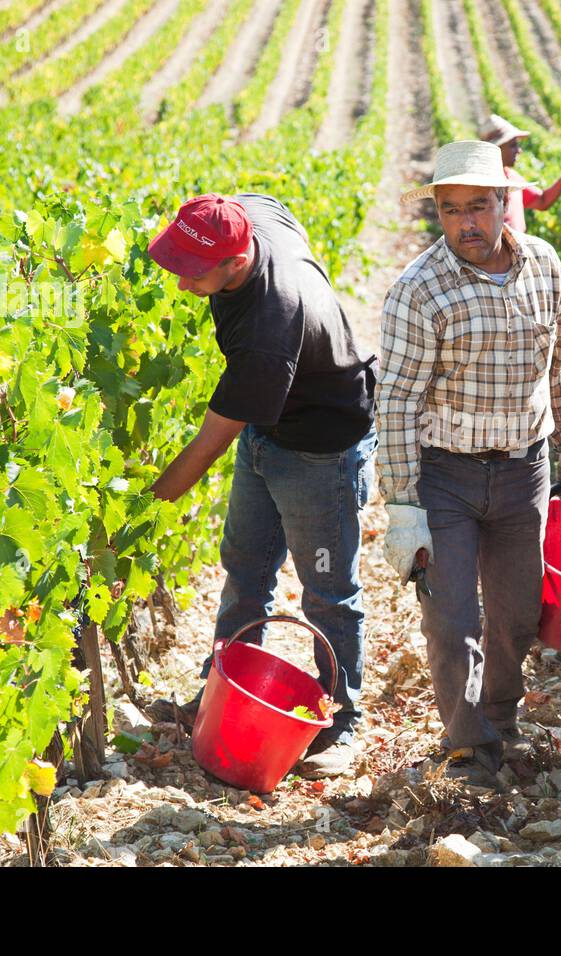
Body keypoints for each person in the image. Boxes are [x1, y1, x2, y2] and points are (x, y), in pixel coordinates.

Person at [378, 140, 561, 786]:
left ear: (506, 203)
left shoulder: (544, 267)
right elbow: (394, 403)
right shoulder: (418, 291)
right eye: (450, 211)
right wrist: (402, 509)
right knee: (452, 620)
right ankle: (468, 744)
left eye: (478, 207)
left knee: (515, 615)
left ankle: (499, 720)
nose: (465, 224)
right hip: (443, 473)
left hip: (522, 471)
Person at [145, 193, 378, 779]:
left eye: (191, 274)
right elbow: (268, 200)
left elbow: (207, 445)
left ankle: (341, 723)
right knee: (245, 566)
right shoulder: (254, 215)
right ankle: (216, 695)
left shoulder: (270, 328)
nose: (179, 286)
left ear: (235, 262)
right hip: (269, 429)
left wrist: (139, 510)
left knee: (327, 589)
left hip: (320, 448)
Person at [478, 114, 561, 232]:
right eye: (513, 145)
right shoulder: (480, 185)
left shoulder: (512, 178)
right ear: (496, 149)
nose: (519, 150)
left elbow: (542, 201)